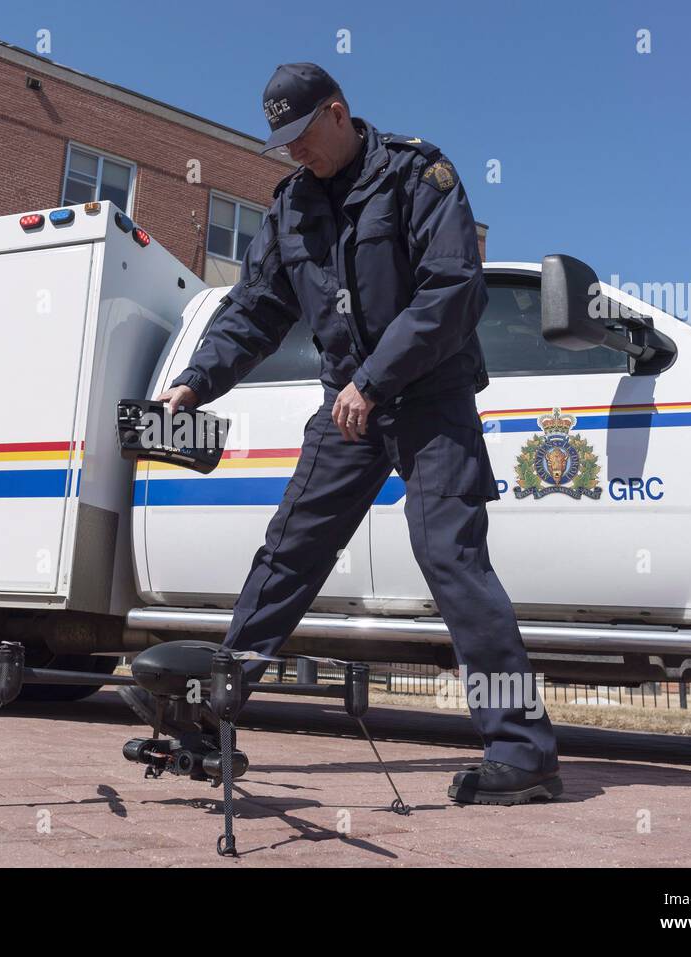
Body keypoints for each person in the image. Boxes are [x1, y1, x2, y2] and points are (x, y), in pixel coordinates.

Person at [121, 63, 560, 805]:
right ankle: (208, 709)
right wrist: (195, 380)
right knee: (290, 549)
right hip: (347, 403)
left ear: (338, 112)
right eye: (281, 141)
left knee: (450, 556)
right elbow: (256, 309)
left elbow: (455, 290)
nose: (294, 152)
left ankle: (523, 748)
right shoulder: (291, 206)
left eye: (301, 135)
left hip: (428, 396)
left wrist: (376, 378)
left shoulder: (419, 174)